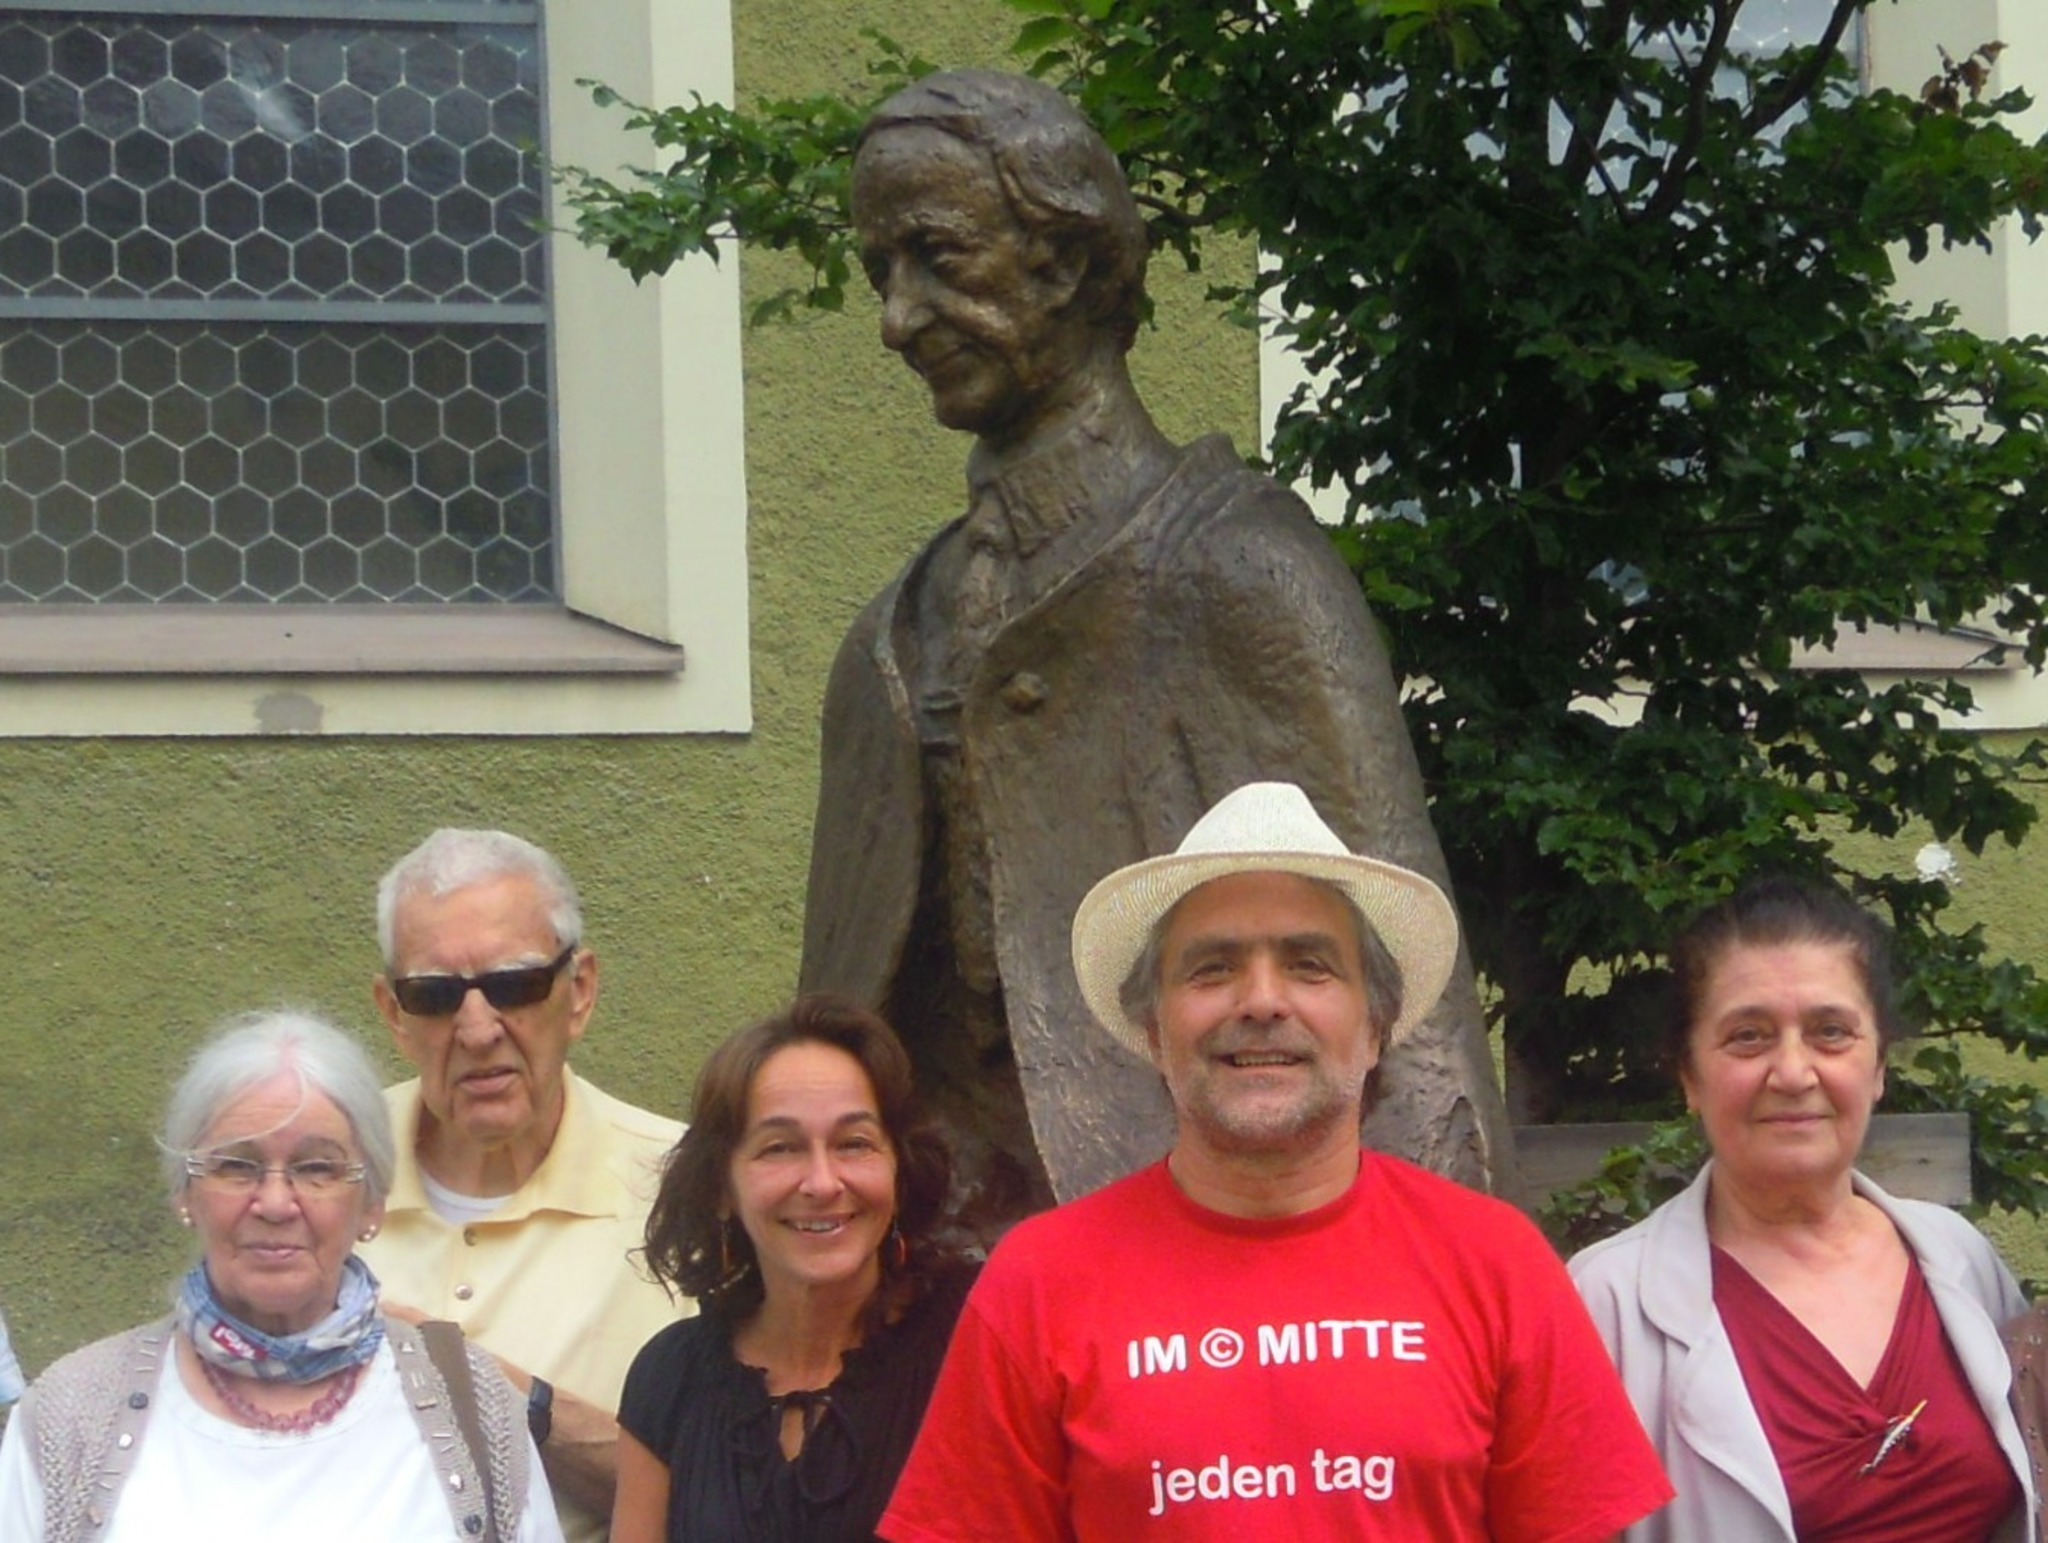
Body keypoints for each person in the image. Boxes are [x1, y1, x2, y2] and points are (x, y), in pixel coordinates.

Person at [802, 70, 1506, 1232]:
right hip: (923, 1297)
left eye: (937, 257)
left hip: (1196, 1283)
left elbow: (1411, 1023)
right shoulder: (890, 636)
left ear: (1068, 259)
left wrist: (1431, 1329)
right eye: (882, 274)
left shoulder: (1236, 571)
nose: (897, 318)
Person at [879, 780, 1671, 1540]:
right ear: (1154, 1031)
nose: (1261, 1000)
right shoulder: (1036, 1285)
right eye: (1212, 967)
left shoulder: (1498, 1264)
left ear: (1374, 1026)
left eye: (1309, 964)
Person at [1570, 875, 2034, 1542]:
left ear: (1877, 1066)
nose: (1792, 1072)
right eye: (1749, 1036)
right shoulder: (1605, 1304)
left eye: (1831, 1031)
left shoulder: (1959, 1257)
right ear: (1689, 1076)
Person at [0, 1010, 562, 1540]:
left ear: (371, 1203)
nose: (274, 1202)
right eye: (236, 1166)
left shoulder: (472, 1403)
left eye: (317, 1168)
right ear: (184, 1193)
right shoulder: (69, 1415)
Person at [359, 828, 689, 1543]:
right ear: (394, 1013)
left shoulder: (689, 1190)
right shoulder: (317, 1171)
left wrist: (481, 1389)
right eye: (436, 995)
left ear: (580, 991)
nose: (478, 1029)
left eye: (513, 985)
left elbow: (730, 1487)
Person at [611, 996, 975, 1543]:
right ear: (720, 1188)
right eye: (780, 1148)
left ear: (899, 1170)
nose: (823, 1183)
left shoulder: (975, 1337)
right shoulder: (672, 1376)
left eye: (854, 1144)